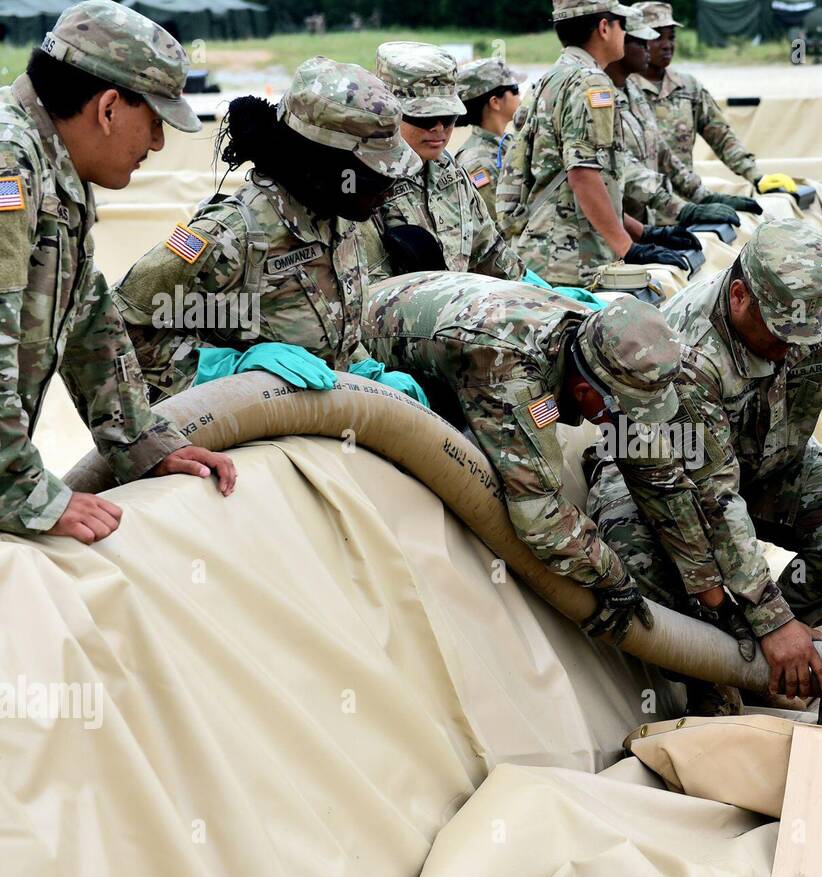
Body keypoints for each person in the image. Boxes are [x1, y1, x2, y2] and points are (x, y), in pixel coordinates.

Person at [586, 220, 822, 712]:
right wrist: (768, 618)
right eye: (782, 336)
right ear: (739, 296)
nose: (794, 350)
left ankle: (774, 659)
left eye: (805, 337)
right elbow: (711, 498)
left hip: (771, 469)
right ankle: (721, 661)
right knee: (641, 565)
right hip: (664, 484)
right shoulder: (689, 349)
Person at [365, 272, 725, 643]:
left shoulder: (605, 345)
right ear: (584, 393)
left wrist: (704, 582)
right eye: (627, 412)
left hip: (437, 302)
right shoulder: (506, 372)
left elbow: (656, 473)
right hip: (377, 331)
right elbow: (538, 516)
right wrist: (614, 577)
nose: (632, 423)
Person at [0, 1, 235, 545]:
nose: (156, 145)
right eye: (153, 123)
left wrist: (145, 446)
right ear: (108, 109)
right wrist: (21, 491)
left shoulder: (59, 165)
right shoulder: (10, 163)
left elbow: (86, 317)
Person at [112, 57, 427, 406]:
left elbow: (328, 332)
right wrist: (227, 369)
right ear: (327, 163)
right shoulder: (231, 234)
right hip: (246, 440)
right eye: (374, 174)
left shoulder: (344, 220)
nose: (388, 187)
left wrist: (363, 370)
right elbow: (120, 324)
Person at [495, 0, 697, 288]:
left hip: (546, 251)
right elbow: (583, 176)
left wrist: (642, 232)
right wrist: (627, 248)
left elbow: (569, 179)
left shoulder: (553, 77)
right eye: (622, 26)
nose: (625, 35)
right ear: (604, 28)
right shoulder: (591, 84)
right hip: (574, 259)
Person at [364, 42, 525, 280]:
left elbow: (489, 254)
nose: (439, 129)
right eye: (426, 118)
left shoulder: (448, 170)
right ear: (390, 114)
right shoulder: (364, 180)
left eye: (448, 118)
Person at [605, 7, 757, 228]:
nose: (663, 45)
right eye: (651, 38)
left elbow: (665, 152)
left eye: (671, 37)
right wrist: (684, 207)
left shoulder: (648, 91)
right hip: (631, 225)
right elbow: (624, 166)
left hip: (675, 217)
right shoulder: (605, 94)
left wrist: (705, 197)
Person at [631, 2, 796, 195]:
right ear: (639, 39)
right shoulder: (623, 89)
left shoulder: (688, 88)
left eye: (672, 37)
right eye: (658, 37)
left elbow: (721, 136)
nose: (667, 45)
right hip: (637, 212)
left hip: (684, 205)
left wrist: (756, 176)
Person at [455, 57, 524, 222]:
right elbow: (496, 223)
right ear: (495, 102)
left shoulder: (506, 145)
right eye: (514, 89)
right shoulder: (477, 161)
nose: (519, 95)